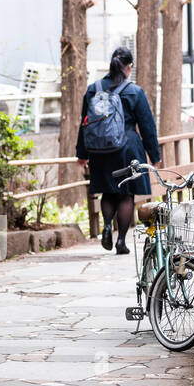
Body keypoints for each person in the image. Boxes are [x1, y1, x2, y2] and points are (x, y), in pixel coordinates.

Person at [76, 47, 162, 254]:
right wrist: (155, 155)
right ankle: (121, 241)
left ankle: (106, 226)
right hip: (128, 148)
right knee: (126, 195)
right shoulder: (134, 91)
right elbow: (147, 126)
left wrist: (82, 153)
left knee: (108, 191)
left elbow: (84, 122)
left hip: (99, 149)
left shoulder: (92, 89)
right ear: (129, 67)